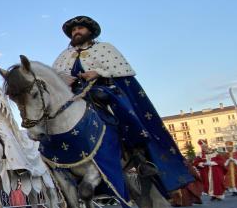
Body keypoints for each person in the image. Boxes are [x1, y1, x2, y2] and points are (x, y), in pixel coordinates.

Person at [52, 16, 192, 195]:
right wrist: (65, 79)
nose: (76, 32)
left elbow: (121, 71)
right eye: (73, 30)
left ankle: (139, 156)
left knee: (118, 109)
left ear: (90, 32)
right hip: (72, 95)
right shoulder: (64, 56)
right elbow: (55, 78)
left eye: (80, 29)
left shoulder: (104, 48)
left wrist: (98, 72)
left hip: (101, 89)